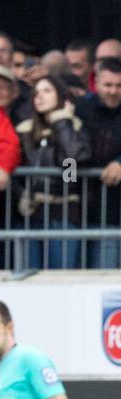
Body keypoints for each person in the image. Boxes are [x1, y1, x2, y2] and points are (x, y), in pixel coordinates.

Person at [15, 75, 92, 269]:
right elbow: (15, 172)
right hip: (32, 214)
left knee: (61, 276)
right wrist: (21, 195)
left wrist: (61, 122)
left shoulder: (73, 127)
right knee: (29, 278)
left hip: (63, 213)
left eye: (47, 91)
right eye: (36, 93)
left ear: (61, 96)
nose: (40, 97)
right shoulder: (26, 132)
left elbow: (72, 163)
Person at [79, 57, 121, 268]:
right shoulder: (82, 109)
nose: (113, 91)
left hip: (113, 213)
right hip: (78, 211)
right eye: (108, 85)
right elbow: (68, 151)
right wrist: (70, 176)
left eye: (119, 86)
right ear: (96, 84)